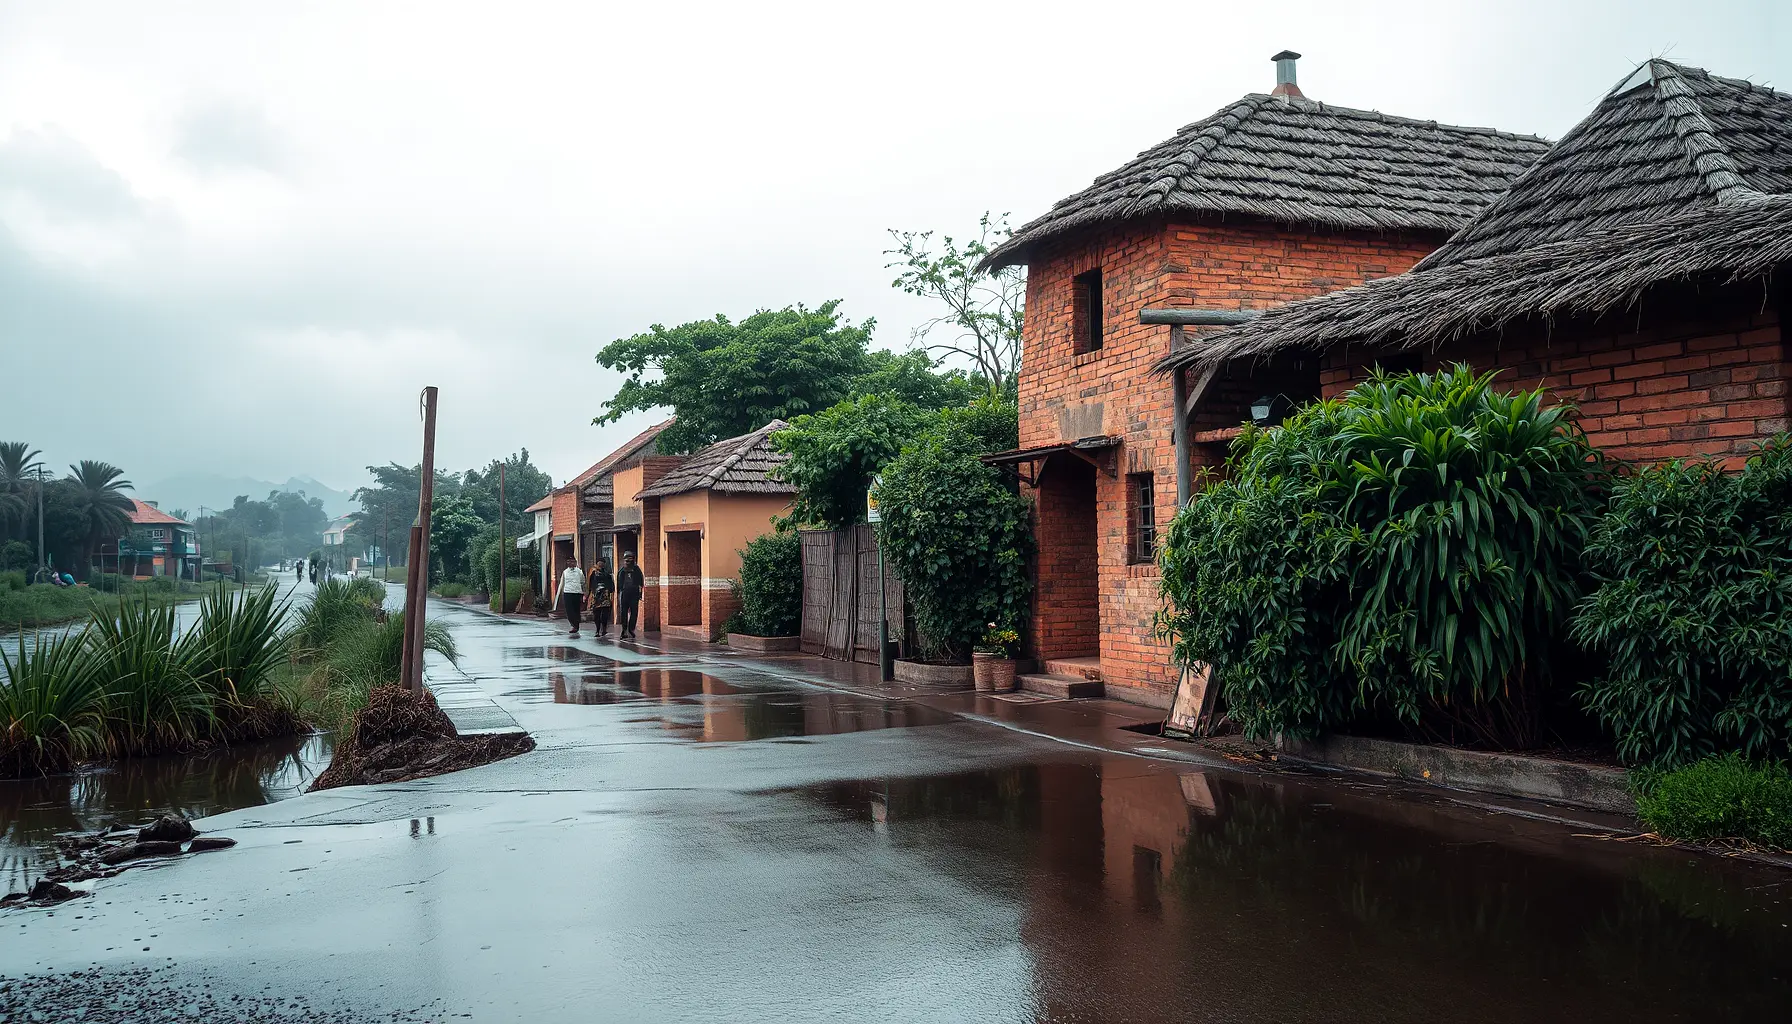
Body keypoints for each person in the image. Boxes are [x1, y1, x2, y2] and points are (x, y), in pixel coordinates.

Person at [554, 559, 586, 638]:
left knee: (576, 609)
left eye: (572, 562)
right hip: (567, 592)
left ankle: (576, 625)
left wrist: (584, 592)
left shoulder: (579, 571)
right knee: (569, 610)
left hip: (577, 592)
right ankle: (573, 625)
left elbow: (583, 581)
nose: (570, 563)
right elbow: (562, 583)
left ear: (575, 563)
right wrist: (560, 593)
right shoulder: (565, 572)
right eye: (568, 561)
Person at [616, 552, 645, 640]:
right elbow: (619, 583)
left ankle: (631, 629)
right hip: (624, 593)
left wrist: (640, 593)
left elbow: (641, 582)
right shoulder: (622, 570)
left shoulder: (637, 569)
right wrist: (618, 594)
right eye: (626, 560)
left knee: (634, 612)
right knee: (623, 612)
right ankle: (624, 630)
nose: (628, 561)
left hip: (634, 593)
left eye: (630, 559)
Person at [586, 558, 614, 638]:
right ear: (597, 563)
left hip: (605, 595)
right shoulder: (593, 572)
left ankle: (604, 629)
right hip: (596, 596)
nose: (601, 564)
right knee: (596, 614)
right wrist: (588, 594)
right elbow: (589, 584)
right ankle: (597, 630)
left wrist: (611, 591)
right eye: (600, 562)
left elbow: (610, 583)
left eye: (603, 563)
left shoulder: (606, 573)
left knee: (605, 614)